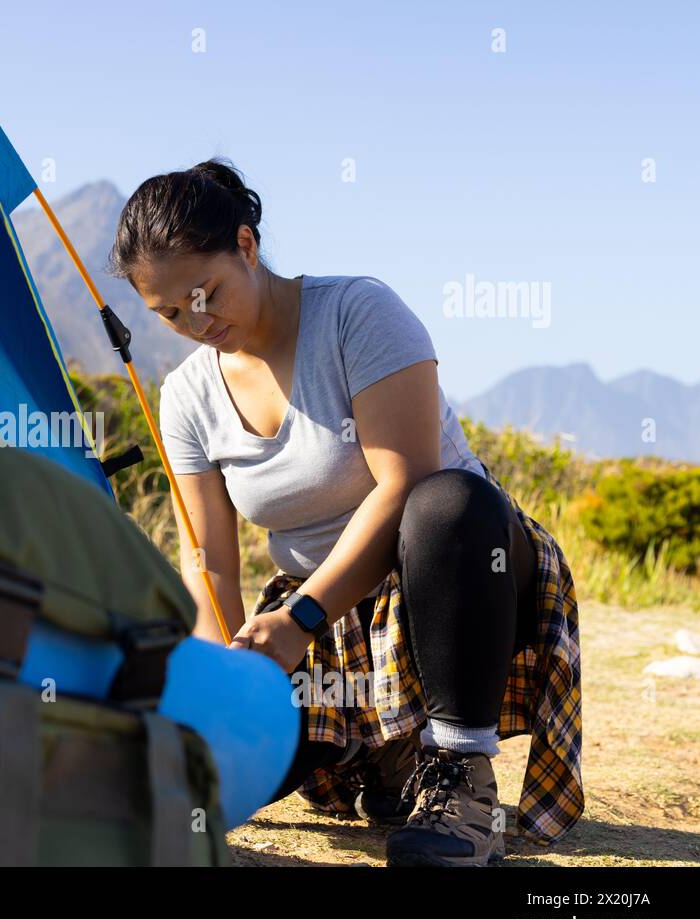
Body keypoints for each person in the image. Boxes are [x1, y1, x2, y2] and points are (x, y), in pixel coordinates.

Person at [108, 158, 583, 866]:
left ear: (246, 244)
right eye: (170, 313)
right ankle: (377, 752)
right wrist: (226, 689)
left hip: (455, 581)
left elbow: (406, 483)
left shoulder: (357, 313)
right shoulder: (185, 398)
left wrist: (301, 618)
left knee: (447, 504)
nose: (195, 322)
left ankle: (461, 779)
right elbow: (208, 560)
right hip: (327, 633)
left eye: (204, 294)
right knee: (208, 787)